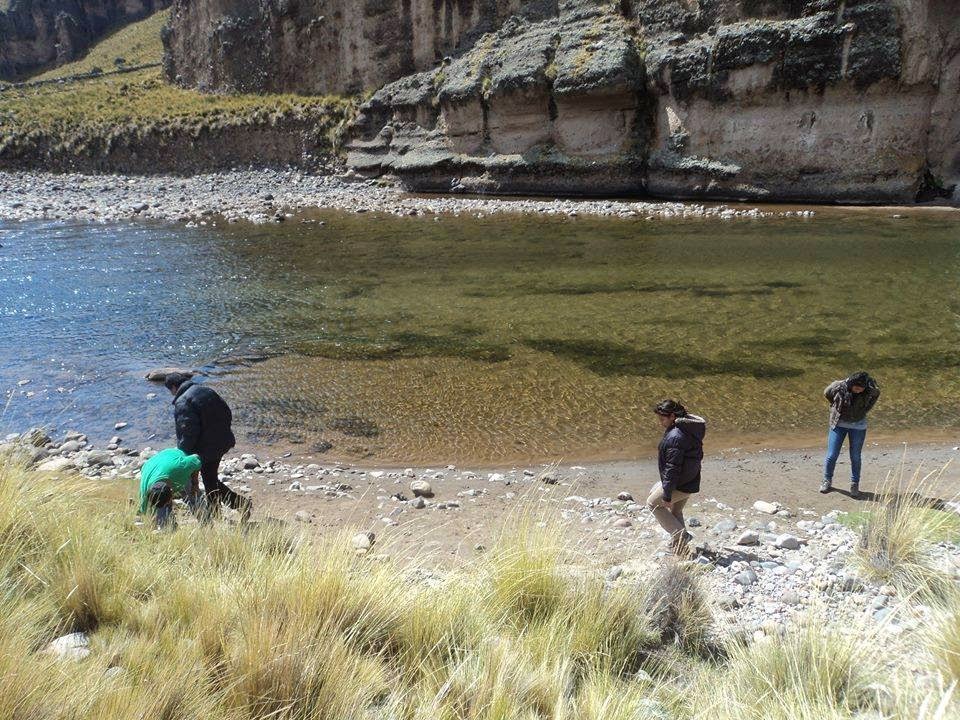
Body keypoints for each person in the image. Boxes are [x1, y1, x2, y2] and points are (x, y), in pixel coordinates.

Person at [163, 372, 251, 521]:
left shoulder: (183, 402)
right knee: (210, 478)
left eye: (170, 391)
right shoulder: (205, 390)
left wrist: (183, 455)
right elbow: (226, 411)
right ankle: (226, 508)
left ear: (173, 387)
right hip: (222, 440)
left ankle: (233, 507)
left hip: (206, 448)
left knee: (209, 479)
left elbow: (188, 432)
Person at [647, 399, 706, 555]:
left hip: (680, 484)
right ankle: (682, 552)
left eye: (662, 419)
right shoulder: (688, 429)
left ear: (672, 416)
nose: (660, 423)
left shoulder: (676, 436)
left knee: (653, 504)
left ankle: (682, 537)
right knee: (676, 511)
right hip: (691, 480)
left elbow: (672, 468)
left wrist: (667, 494)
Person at [821, 371, 880, 499]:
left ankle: (854, 484)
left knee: (855, 456)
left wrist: (865, 409)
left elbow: (876, 394)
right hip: (838, 423)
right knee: (832, 455)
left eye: (861, 389)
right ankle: (827, 480)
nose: (858, 391)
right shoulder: (839, 386)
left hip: (858, 426)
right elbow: (827, 393)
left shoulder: (869, 389)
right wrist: (835, 406)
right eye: (856, 388)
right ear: (851, 384)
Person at [138, 447, 202, 529]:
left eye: (168, 502)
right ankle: (171, 530)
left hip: (173, 457)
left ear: (172, 492)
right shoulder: (145, 493)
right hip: (151, 464)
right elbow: (145, 513)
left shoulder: (181, 467)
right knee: (162, 514)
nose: (169, 503)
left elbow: (196, 458)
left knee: (194, 497)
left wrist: (195, 484)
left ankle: (207, 524)